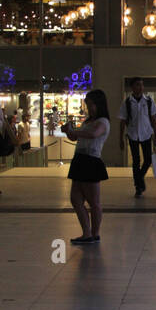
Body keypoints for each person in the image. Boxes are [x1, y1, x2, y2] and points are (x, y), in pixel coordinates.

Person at [64, 89, 110, 244]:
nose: (89, 108)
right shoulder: (88, 121)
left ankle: (94, 233)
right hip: (80, 159)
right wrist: (69, 131)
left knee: (94, 201)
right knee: (75, 199)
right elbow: (76, 137)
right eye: (87, 104)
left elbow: (93, 134)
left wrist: (74, 131)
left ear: (98, 104)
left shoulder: (103, 122)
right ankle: (87, 233)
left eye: (91, 104)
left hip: (91, 160)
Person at [118, 76, 156, 197]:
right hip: (133, 134)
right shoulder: (127, 102)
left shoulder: (149, 101)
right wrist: (120, 138)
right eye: (137, 85)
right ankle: (138, 187)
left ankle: (139, 179)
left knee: (148, 159)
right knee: (136, 161)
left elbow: (153, 118)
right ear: (132, 87)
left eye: (142, 85)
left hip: (146, 133)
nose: (140, 87)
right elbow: (122, 121)